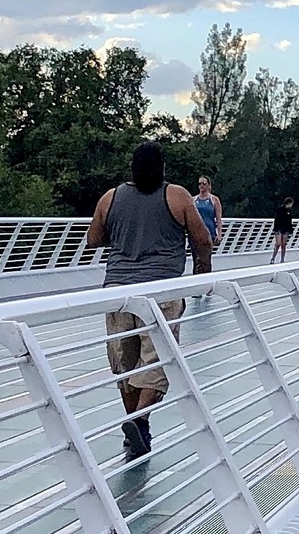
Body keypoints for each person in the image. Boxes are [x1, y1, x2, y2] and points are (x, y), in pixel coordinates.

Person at [87, 142, 213, 461]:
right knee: (159, 361)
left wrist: (124, 233)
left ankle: (136, 432)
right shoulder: (177, 196)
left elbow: (93, 239)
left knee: (124, 364)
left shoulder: (110, 198)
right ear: (163, 168)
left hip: (117, 292)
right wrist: (202, 272)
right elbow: (202, 239)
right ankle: (139, 421)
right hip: (161, 290)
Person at [194, 176, 223, 247]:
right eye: (199, 183)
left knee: (207, 255)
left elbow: (218, 219)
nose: (201, 186)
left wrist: (219, 234)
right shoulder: (193, 200)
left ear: (208, 185)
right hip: (197, 232)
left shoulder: (214, 199)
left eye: (204, 183)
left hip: (210, 231)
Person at [271, 197, 295, 263]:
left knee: (283, 244)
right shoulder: (280, 210)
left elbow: (290, 221)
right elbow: (277, 220)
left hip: (286, 229)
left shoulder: (289, 211)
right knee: (278, 243)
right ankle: (273, 258)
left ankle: (282, 259)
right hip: (279, 229)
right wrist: (276, 229)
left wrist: (291, 230)